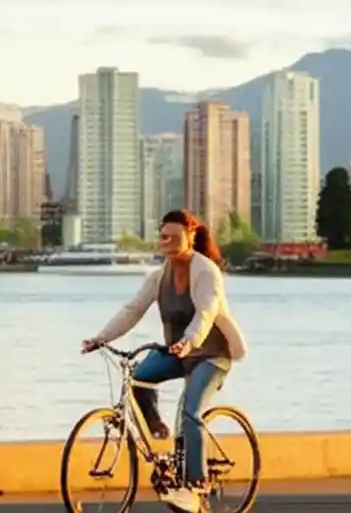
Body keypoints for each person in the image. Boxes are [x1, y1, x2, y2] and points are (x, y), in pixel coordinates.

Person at [81, 210, 248, 513]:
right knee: (138, 378)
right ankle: (157, 426)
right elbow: (133, 310)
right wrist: (101, 338)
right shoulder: (159, 277)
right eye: (163, 235)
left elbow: (207, 312)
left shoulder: (206, 271)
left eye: (173, 235)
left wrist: (190, 341)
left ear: (191, 236)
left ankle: (195, 486)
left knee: (190, 411)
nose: (167, 240)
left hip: (211, 355)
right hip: (178, 354)